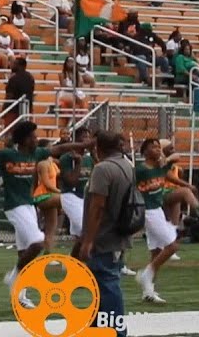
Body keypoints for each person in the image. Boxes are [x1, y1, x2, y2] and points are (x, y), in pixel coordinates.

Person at [0, 120, 88, 308]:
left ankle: (20, 294)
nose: (36, 139)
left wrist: (83, 145)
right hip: (14, 206)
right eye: (33, 136)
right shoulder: (6, 154)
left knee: (24, 251)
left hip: (29, 206)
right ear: (23, 139)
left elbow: (61, 147)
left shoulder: (37, 154)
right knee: (38, 242)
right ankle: (13, 275)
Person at [77, 129, 134, 337]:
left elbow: (97, 207)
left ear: (98, 146)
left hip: (104, 236)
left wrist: (88, 241)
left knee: (107, 285)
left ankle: (116, 331)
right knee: (102, 286)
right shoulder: (126, 165)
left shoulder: (103, 169)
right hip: (118, 233)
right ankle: (99, 329)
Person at [134, 137, 189, 304]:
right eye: (153, 147)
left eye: (159, 147)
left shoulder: (160, 166)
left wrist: (166, 159)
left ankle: (149, 291)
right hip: (148, 211)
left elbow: (176, 158)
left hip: (157, 210)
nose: (157, 150)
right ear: (144, 152)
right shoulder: (141, 169)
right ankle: (147, 274)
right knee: (172, 245)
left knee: (156, 252)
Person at [59, 127, 94, 254]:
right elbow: (70, 181)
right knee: (85, 230)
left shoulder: (89, 158)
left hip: (84, 197)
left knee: (81, 236)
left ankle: (71, 260)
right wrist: (78, 164)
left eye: (88, 137)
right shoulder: (67, 158)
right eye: (83, 137)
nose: (87, 140)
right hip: (70, 195)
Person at [32, 146, 62, 253]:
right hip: (43, 195)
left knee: (51, 227)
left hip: (51, 195)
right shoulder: (42, 164)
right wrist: (59, 191)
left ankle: (47, 254)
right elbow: (46, 183)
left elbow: (59, 172)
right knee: (67, 199)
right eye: (48, 148)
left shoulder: (50, 163)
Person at [4, 57, 35, 126]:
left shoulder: (14, 79)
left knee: (10, 131)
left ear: (20, 66)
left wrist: (4, 109)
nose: (12, 65)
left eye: (15, 64)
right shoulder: (30, 77)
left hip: (13, 109)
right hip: (26, 108)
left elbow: (9, 95)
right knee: (25, 131)